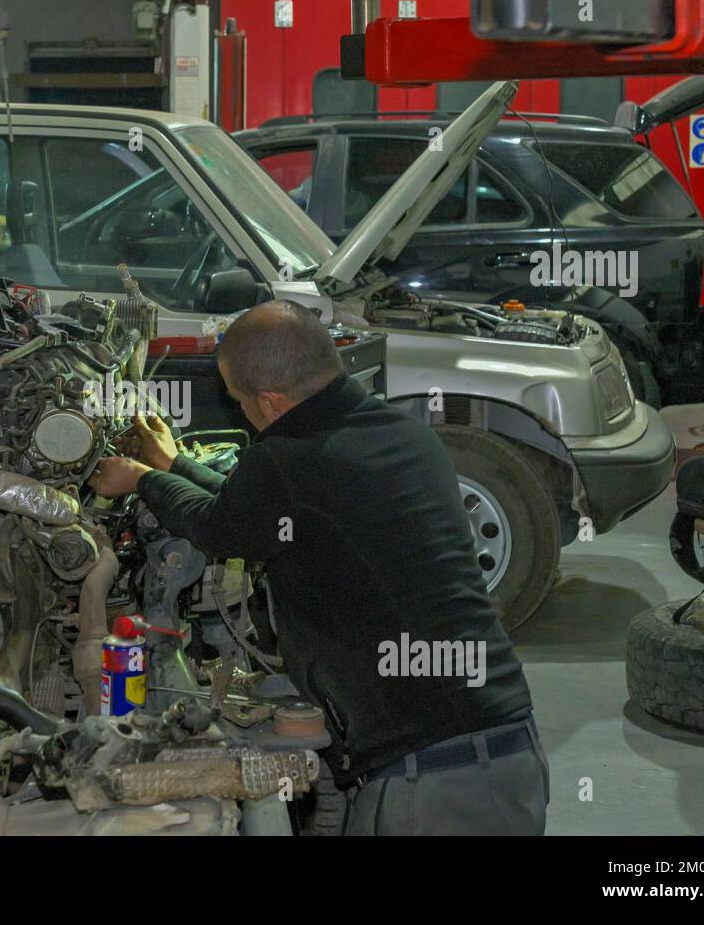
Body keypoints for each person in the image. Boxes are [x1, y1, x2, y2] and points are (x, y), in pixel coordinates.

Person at [88, 300, 549, 835]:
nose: (241, 413)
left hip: (438, 781)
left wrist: (142, 480)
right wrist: (172, 466)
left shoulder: (290, 460)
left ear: (270, 400)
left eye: (238, 402)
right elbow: (258, 508)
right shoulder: (399, 433)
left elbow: (221, 528)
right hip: (488, 752)